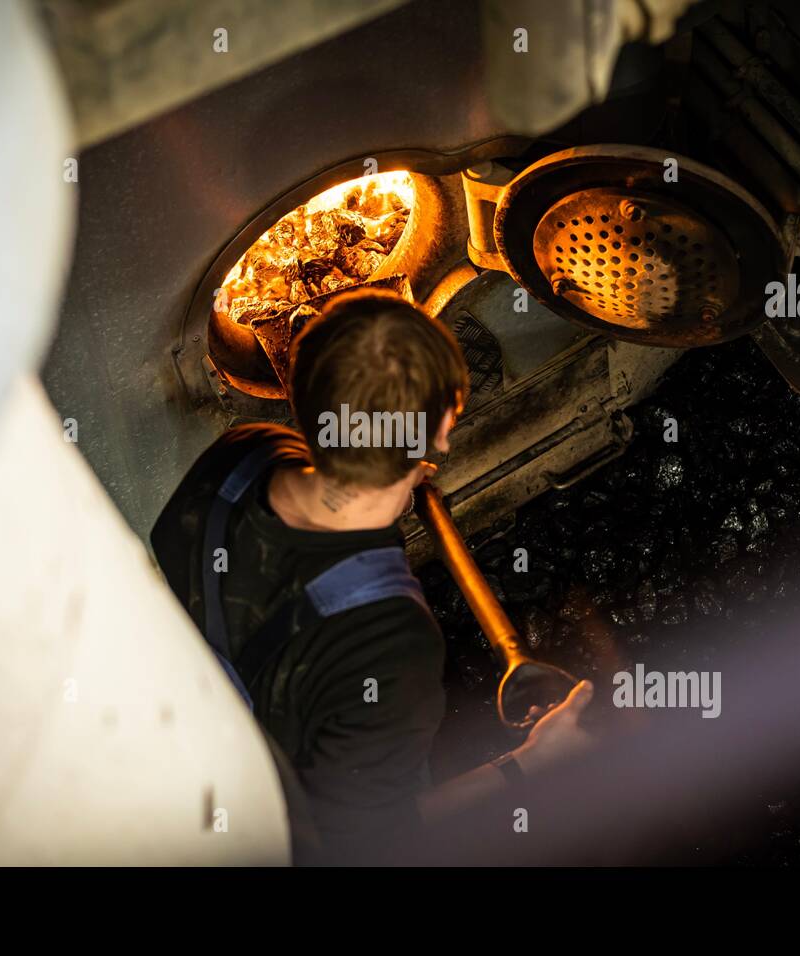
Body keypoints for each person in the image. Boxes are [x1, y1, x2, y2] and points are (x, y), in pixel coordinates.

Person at [151, 289, 594, 860]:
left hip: (178, 727)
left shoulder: (244, 453)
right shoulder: (393, 645)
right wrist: (528, 764)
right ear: (439, 436)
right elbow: (362, 839)